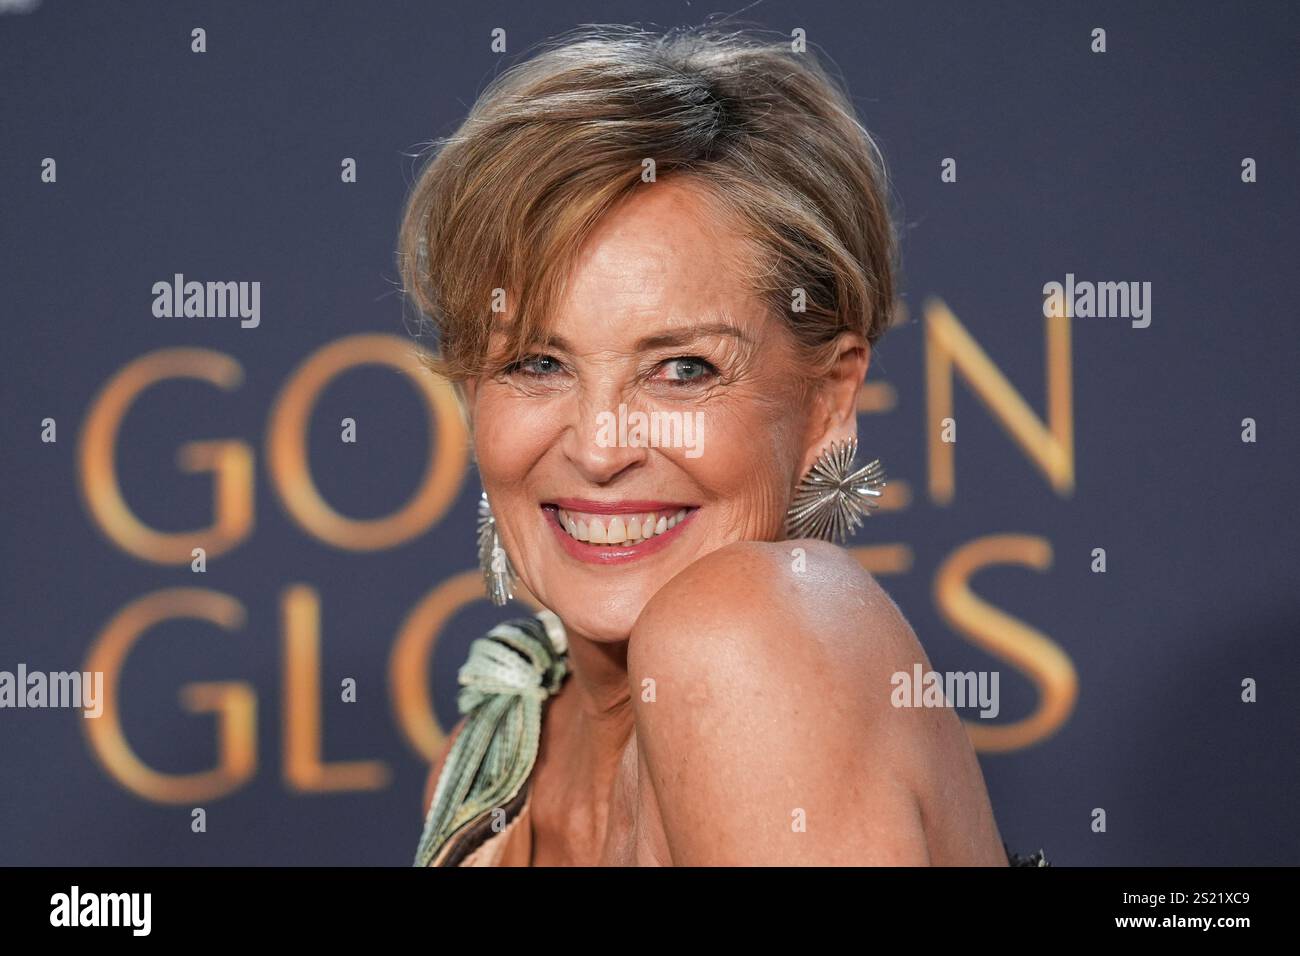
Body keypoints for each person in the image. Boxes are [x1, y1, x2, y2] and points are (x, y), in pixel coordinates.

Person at [399, 24, 1048, 867]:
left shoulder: (747, 640)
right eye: (538, 362)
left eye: (681, 368)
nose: (601, 447)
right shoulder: (484, 764)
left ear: (827, 399)